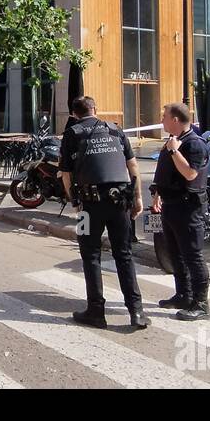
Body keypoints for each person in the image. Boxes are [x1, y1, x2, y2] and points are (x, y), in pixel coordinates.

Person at [58, 96, 148, 330]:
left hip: (88, 206)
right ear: (95, 109)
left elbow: (66, 174)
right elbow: (133, 166)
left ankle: (96, 311)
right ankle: (136, 311)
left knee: (90, 255)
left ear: (74, 114)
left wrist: (74, 202)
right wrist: (138, 198)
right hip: (120, 203)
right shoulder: (116, 130)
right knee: (124, 254)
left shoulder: (72, 133)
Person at [151, 102, 210, 321]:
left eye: (164, 116)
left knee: (193, 256)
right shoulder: (173, 141)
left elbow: (190, 174)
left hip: (188, 207)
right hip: (171, 204)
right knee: (175, 253)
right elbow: (166, 172)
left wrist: (175, 151)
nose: (162, 120)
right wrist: (157, 193)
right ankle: (183, 294)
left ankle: (201, 304)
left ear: (175, 119)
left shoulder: (194, 144)